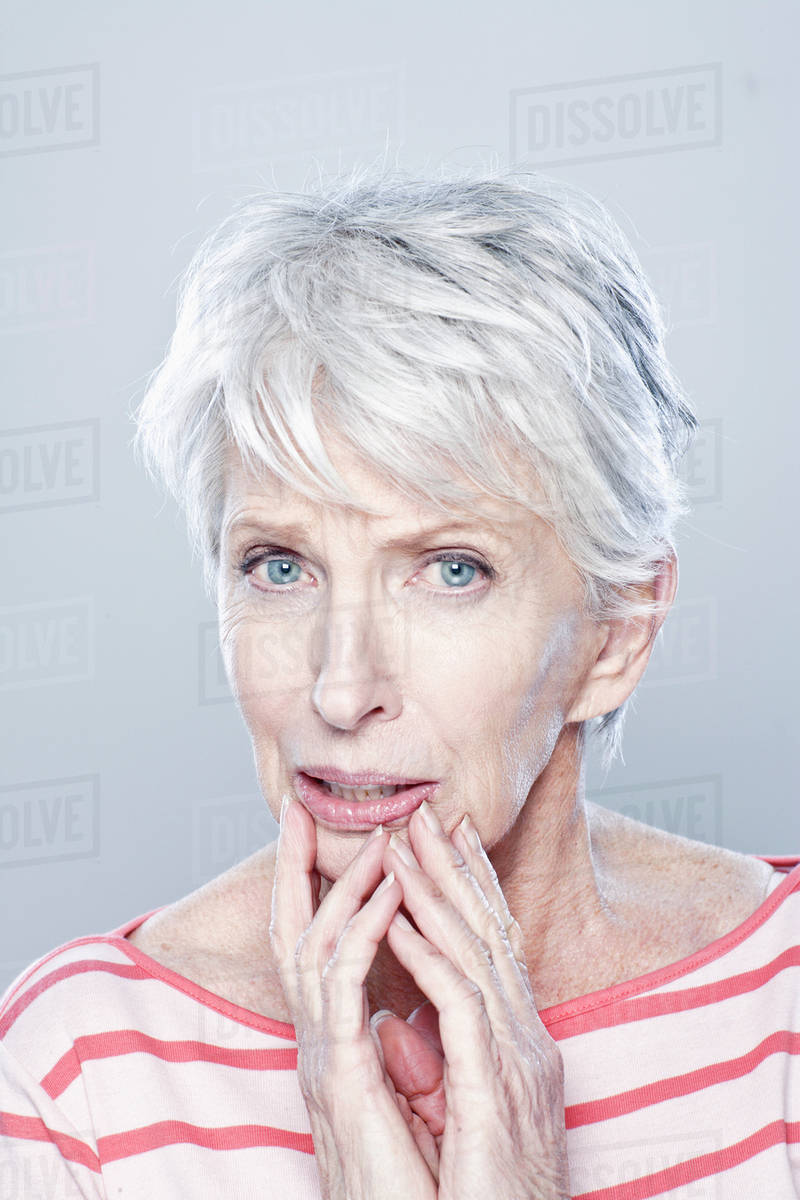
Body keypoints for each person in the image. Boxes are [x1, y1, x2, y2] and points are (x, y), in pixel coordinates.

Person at [1, 167, 797, 1199]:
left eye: (449, 570)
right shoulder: (84, 1073)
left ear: (615, 632)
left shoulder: (778, 1004)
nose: (340, 691)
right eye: (278, 566)